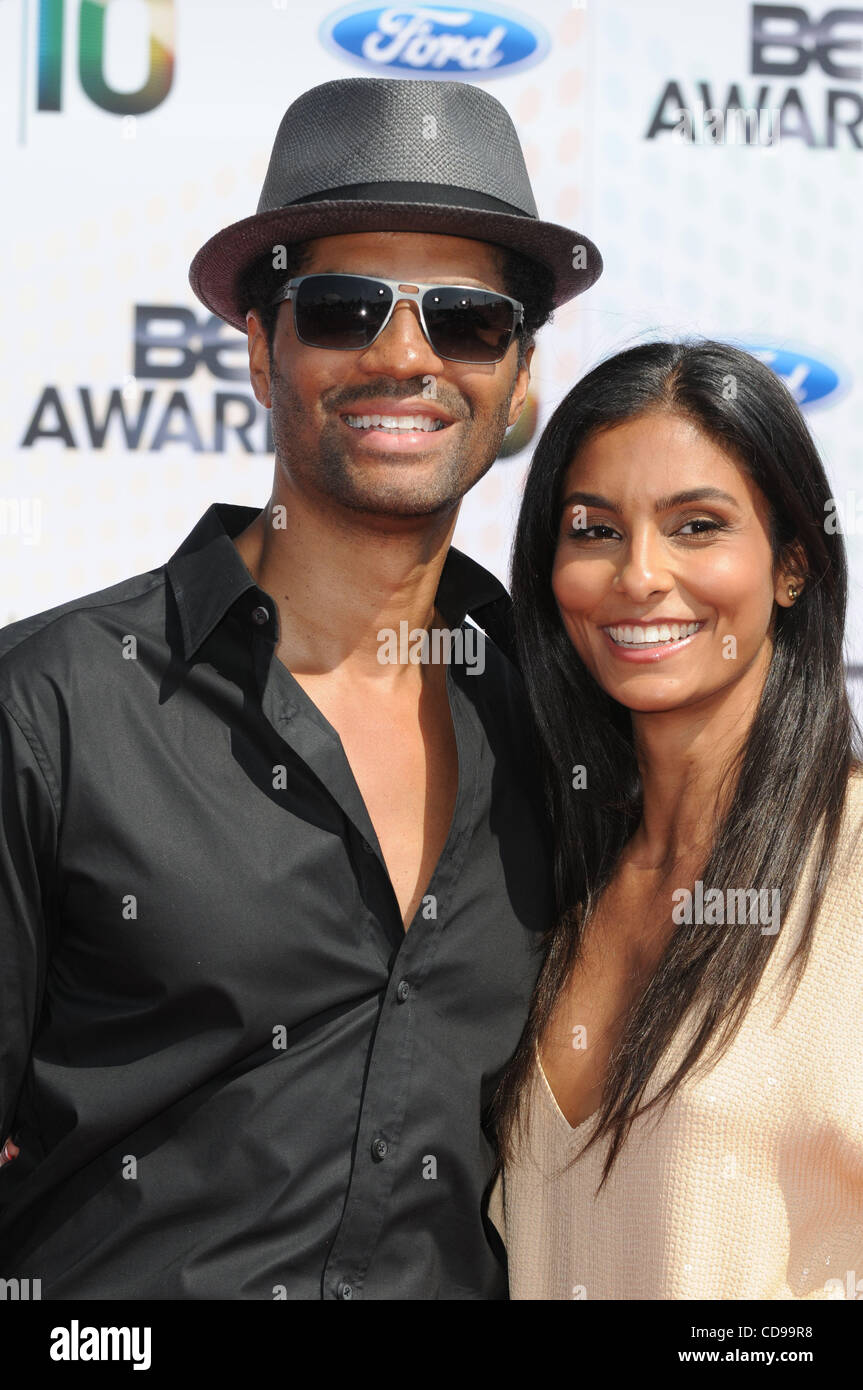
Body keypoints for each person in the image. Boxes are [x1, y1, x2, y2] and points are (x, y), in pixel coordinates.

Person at [0, 77, 602, 1299]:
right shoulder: (54, 706)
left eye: (465, 320)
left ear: (519, 373)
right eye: (341, 309)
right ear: (259, 349)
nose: (403, 355)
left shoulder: (563, 733)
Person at [490, 339, 863, 1300]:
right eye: (595, 530)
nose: (640, 575)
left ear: (791, 565)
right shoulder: (540, 873)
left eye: (697, 526)